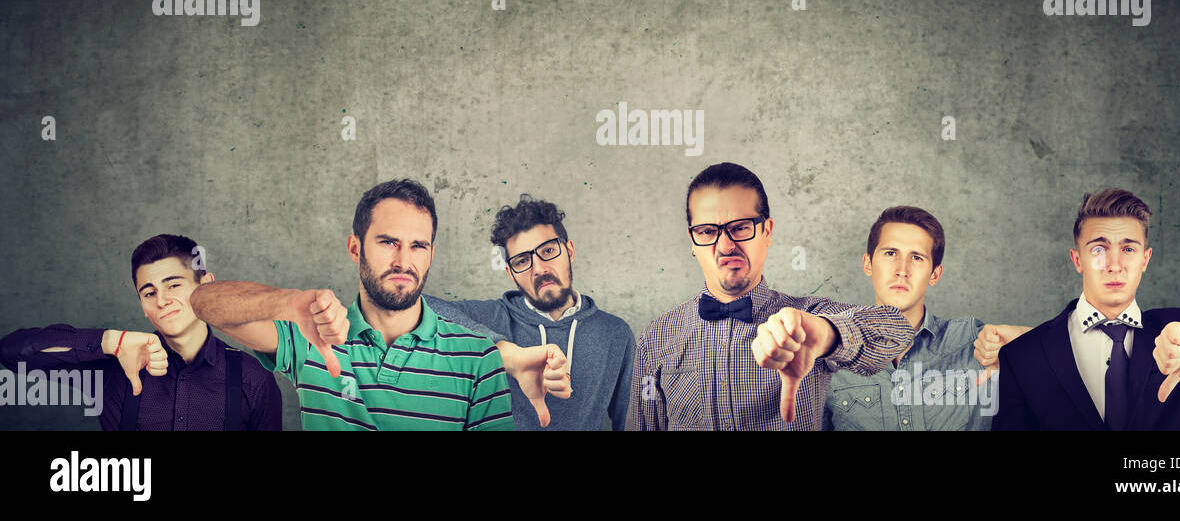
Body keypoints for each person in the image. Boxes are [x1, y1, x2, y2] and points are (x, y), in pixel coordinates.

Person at [191, 179, 513, 430]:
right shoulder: (310, 334)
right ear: (355, 248)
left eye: (418, 246)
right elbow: (203, 302)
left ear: (431, 253)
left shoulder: (478, 357)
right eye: (388, 242)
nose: (404, 261)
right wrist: (286, 303)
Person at [628, 162, 914, 431]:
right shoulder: (657, 336)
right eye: (707, 231)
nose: (725, 246)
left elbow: (898, 330)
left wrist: (826, 335)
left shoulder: (809, 317)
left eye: (740, 228)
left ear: (767, 231)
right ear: (693, 241)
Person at [993, 188, 1180, 430]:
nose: (1114, 265)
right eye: (1098, 249)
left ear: (1145, 259)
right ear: (1078, 260)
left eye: (1128, 249)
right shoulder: (1023, 355)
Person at [0, 234, 281, 430]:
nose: (161, 300)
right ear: (142, 306)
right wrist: (110, 341)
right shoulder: (114, 369)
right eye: (149, 292)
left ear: (206, 287)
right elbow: (13, 353)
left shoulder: (252, 378)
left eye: (174, 285)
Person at [423, 194, 635, 430]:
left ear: (570, 250)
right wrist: (506, 353)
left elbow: (633, 422)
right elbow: (417, 305)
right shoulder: (492, 318)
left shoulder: (616, 333)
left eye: (548, 251)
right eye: (522, 261)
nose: (539, 269)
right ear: (510, 273)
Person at [823, 206, 1030, 430]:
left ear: (934, 274)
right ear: (867, 263)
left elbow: (1065, 359)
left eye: (917, 257)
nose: (902, 270)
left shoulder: (974, 342)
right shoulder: (830, 356)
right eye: (891, 253)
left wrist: (1024, 343)